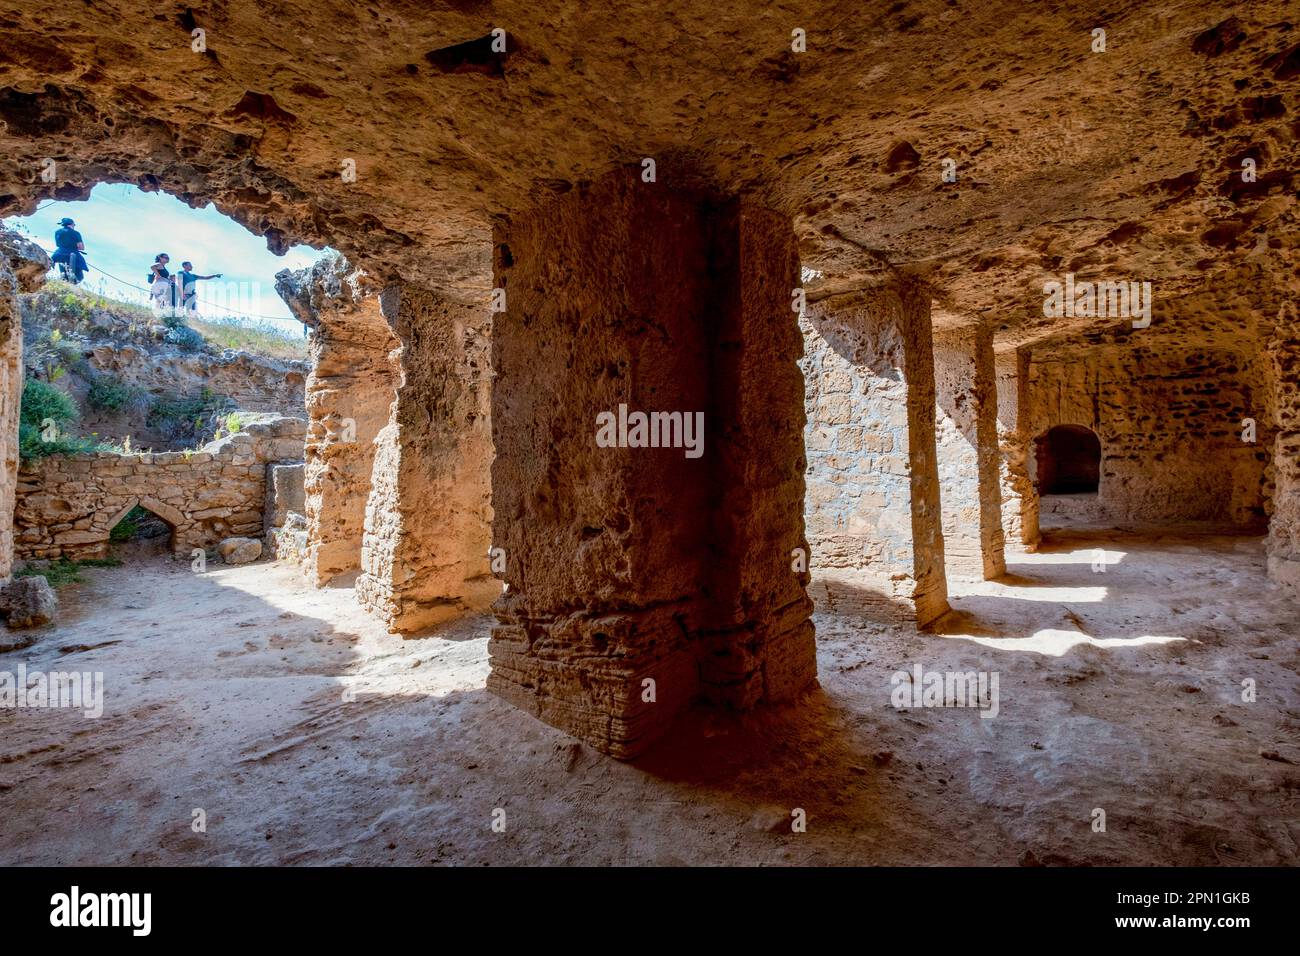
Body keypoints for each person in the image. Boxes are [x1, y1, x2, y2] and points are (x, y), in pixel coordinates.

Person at [51, 218, 87, 283]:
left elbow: (57, 244)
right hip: (73, 254)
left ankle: (65, 284)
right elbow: (81, 247)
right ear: (71, 224)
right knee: (79, 276)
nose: (74, 226)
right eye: (74, 225)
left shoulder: (57, 232)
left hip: (59, 254)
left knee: (63, 274)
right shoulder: (76, 233)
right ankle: (71, 286)